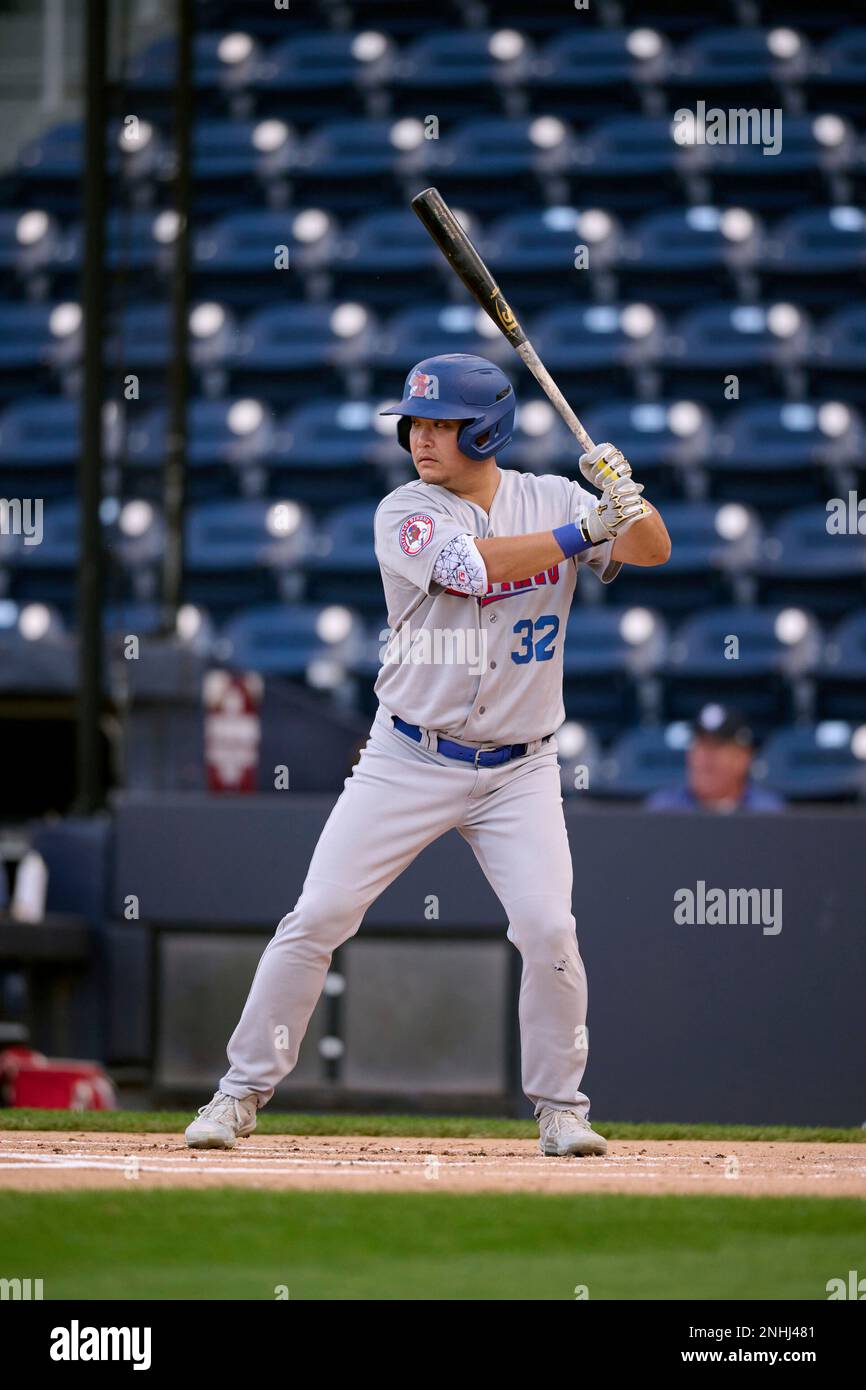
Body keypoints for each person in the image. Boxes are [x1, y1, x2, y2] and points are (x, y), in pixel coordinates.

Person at [185, 353, 671, 1157]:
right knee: (319, 916)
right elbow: (471, 572)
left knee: (549, 928)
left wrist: (627, 495)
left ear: (486, 428)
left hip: (519, 768)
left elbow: (651, 549)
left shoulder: (550, 495)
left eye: (442, 423)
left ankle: (561, 1109)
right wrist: (590, 525)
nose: (421, 437)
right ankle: (239, 1094)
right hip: (407, 755)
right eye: (417, 422)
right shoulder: (404, 511)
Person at [645, 704, 785, 812]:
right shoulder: (663, 807)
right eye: (700, 744)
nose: (705, 756)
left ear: (743, 757)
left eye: (716, 746)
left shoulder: (767, 811)